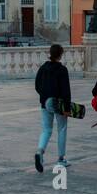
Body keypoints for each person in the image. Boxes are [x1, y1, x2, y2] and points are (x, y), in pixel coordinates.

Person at [33, 43, 71, 172]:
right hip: (59, 103)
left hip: (45, 102)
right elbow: (66, 90)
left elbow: (37, 85)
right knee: (62, 129)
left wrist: (43, 96)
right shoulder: (62, 70)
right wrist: (67, 107)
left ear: (50, 54)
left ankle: (40, 151)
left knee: (46, 130)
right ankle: (61, 158)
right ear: (60, 55)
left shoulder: (43, 68)